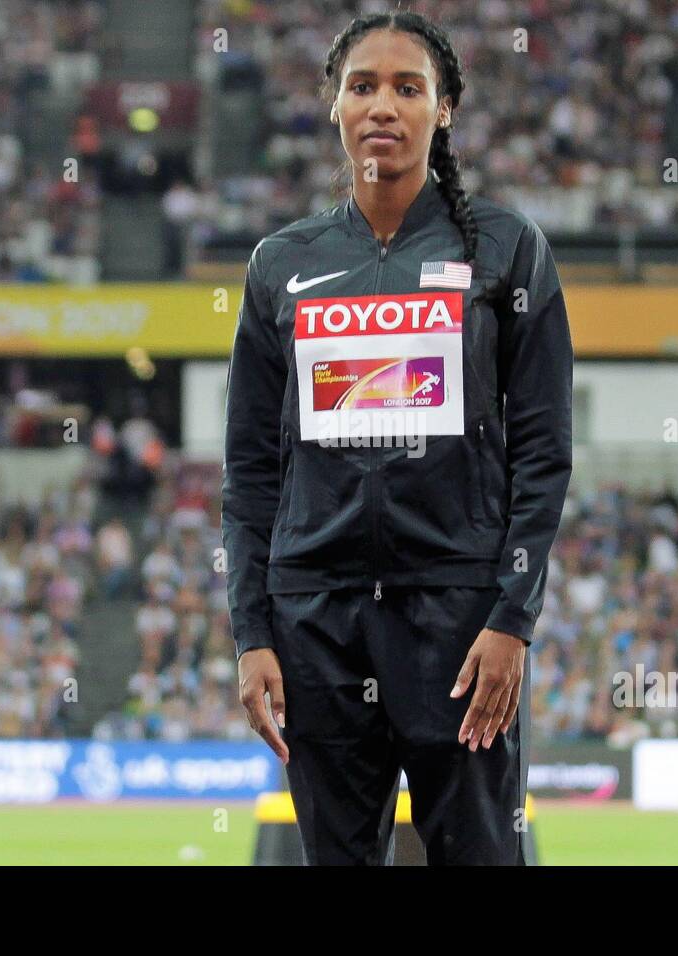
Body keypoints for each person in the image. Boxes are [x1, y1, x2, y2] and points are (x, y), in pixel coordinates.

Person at [221, 11, 572, 865]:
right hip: (318, 623)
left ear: (443, 109)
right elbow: (250, 469)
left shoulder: (506, 251)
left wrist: (512, 621)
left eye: (408, 87)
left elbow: (544, 456)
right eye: (363, 86)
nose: (385, 105)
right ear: (335, 108)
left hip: (457, 623)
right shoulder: (282, 265)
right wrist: (253, 632)